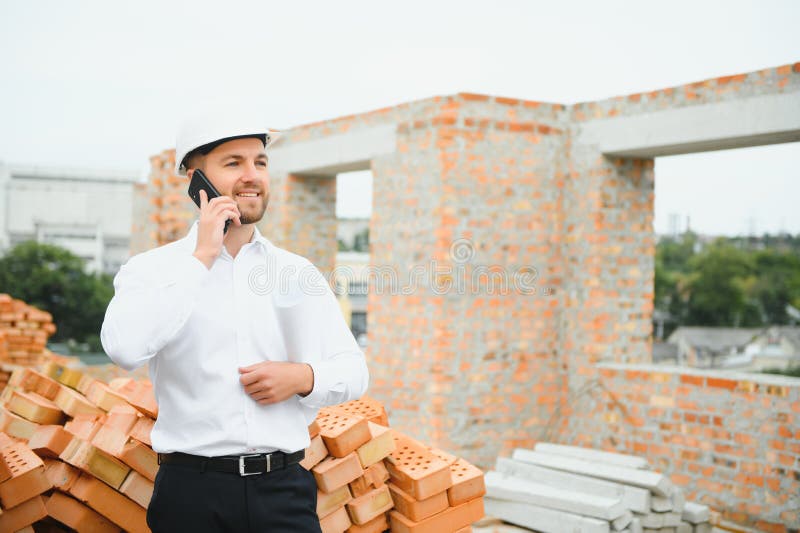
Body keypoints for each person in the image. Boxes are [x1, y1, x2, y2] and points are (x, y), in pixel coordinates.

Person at [100, 115, 370, 532]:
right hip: (190, 496)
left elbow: (354, 370)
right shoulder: (152, 270)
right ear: (196, 179)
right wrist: (201, 259)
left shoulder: (296, 272)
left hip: (284, 494)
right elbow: (124, 349)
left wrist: (304, 376)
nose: (252, 176)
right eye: (233, 163)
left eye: (260, 163)